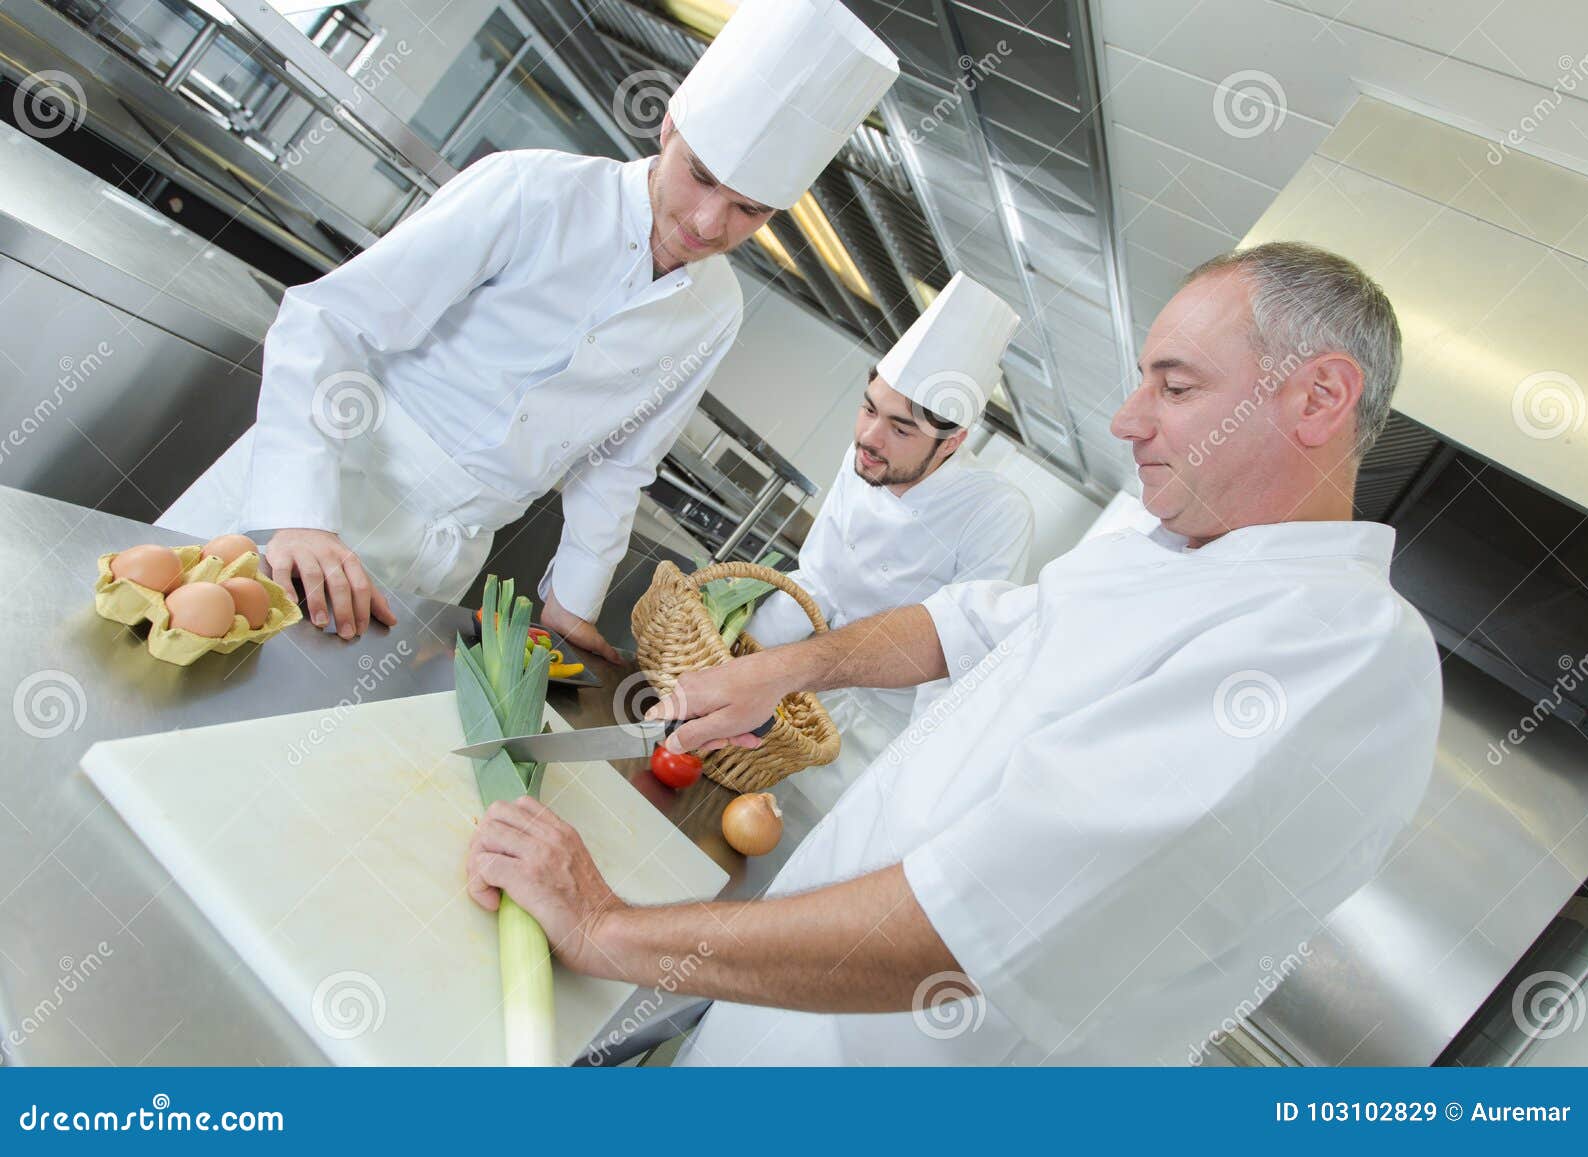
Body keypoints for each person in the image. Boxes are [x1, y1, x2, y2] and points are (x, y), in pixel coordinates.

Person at [463, 241, 1444, 1065]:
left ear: (1317, 398)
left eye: (1174, 385)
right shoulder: (1167, 560)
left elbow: (978, 920)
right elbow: (969, 622)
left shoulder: (1335, 648)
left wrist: (605, 927)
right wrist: (792, 664)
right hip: (784, 1021)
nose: (1127, 420)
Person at [158, 0, 897, 658]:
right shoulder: (531, 191)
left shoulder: (715, 311)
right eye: (700, 177)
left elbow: (618, 464)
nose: (708, 224)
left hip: (441, 559)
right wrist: (299, 513)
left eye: (749, 211)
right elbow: (332, 318)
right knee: (156, 660)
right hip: (326, 491)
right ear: (668, 125)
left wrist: (571, 605)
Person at [744, 273, 1033, 810]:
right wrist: (747, 657)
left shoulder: (996, 511)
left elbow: (957, 652)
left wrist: (908, 789)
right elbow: (818, 576)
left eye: (902, 429)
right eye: (869, 408)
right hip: (785, 676)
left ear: (954, 442)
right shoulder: (870, 457)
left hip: (867, 742)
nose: (870, 438)